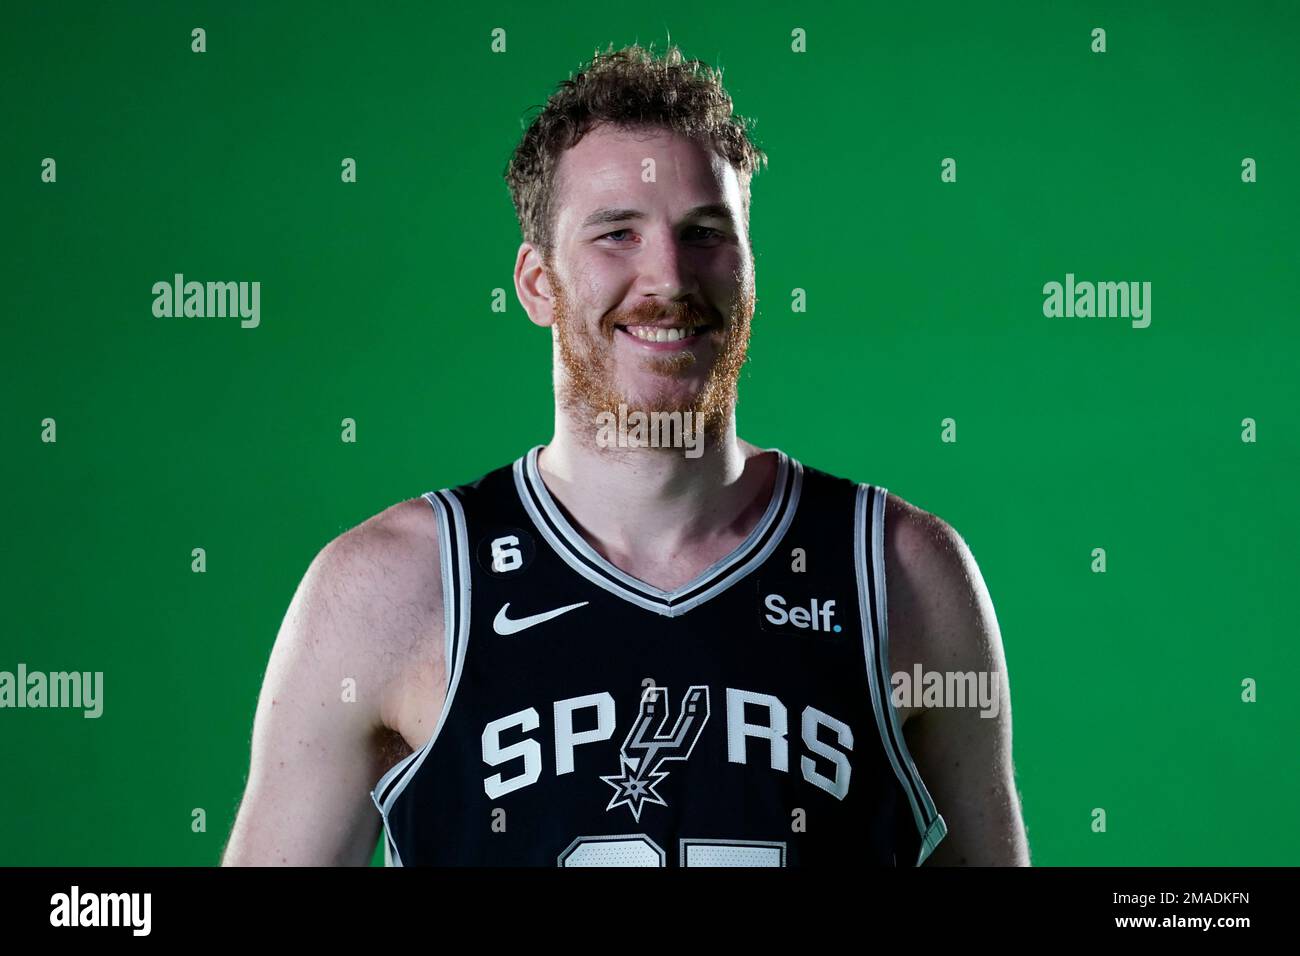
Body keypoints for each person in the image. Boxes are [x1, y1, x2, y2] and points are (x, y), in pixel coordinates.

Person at [222, 42, 1029, 867]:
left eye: (705, 233)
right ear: (538, 283)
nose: (668, 278)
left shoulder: (900, 571)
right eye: (616, 234)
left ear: (750, 268)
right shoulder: (386, 589)